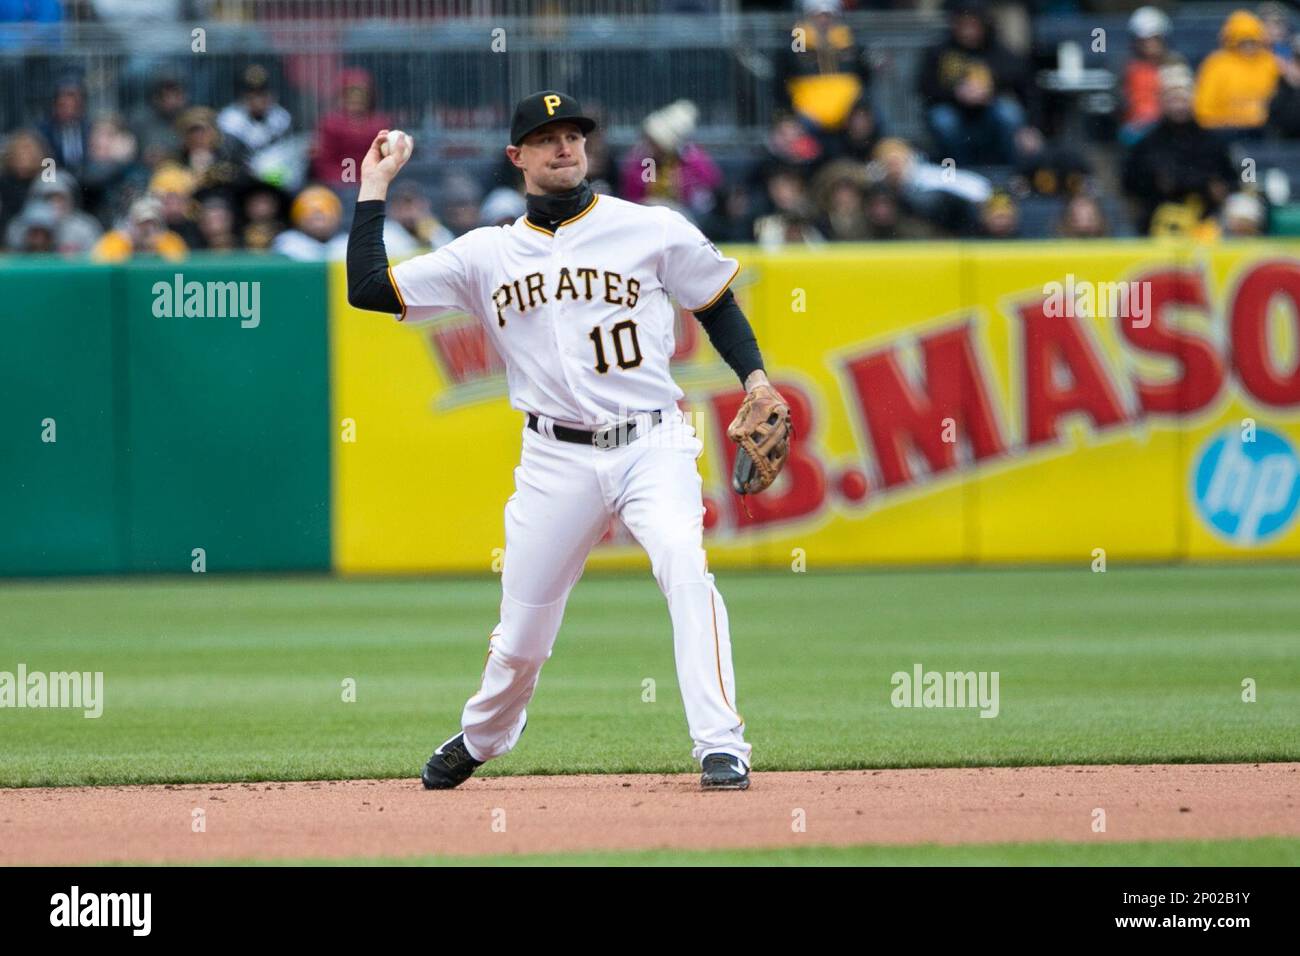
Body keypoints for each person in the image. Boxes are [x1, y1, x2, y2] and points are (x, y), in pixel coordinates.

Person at [346, 91, 791, 792]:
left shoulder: (650, 228)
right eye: (546, 137)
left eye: (574, 135)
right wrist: (373, 188)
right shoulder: (485, 254)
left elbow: (716, 301)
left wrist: (757, 381)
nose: (564, 147)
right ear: (516, 157)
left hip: (654, 441)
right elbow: (369, 288)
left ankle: (721, 743)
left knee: (684, 566)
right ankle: (483, 736)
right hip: (555, 458)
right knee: (522, 635)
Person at [918, 0, 1035, 165]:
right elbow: (924, 88)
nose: (968, 32)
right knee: (943, 120)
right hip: (953, 110)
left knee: (1009, 113)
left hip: (989, 113)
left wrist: (990, 91)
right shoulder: (940, 51)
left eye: (973, 26)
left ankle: (1010, 170)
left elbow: (1024, 85)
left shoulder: (999, 51)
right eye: (963, 26)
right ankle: (958, 171)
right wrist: (956, 94)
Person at [1124, 65, 1237, 234]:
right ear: (1162, 101)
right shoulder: (1146, 144)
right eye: (1172, 99)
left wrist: (1220, 189)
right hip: (1159, 222)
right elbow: (1130, 185)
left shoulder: (1214, 141)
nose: (1178, 106)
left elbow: (1230, 181)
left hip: (1208, 221)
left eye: (1182, 99)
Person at [617, 100, 722, 218]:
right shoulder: (641, 162)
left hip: (687, 216)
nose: (648, 145)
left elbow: (709, 186)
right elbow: (632, 198)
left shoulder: (691, 159)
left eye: (653, 141)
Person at [1193, 9, 1279, 132]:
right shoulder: (1216, 64)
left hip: (1266, 132)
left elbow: (1281, 99)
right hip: (1226, 131)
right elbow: (1204, 109)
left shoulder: (1270, 62)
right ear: (1231, 40)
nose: (1248, 46)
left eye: (1252, 41)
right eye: (1243, 41)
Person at [1121, 6, 1183, 145]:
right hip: (1136, 130)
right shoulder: (1127, 68)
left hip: (1169, 126)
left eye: (1154, 39)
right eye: (1144, 40)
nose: (1149, 45)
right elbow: (1123, 102)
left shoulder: (1176, 63)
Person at [217, 64, 294, 156]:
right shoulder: (229, 118)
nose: (258, 101)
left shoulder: (281, 117)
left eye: (262, 95)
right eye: (252, 96)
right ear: (242, 97)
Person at [91, 195, 187, 262]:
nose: (147, 229)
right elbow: (101, 266)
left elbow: (179, 268)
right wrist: (128, 245)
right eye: (141, 224)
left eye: (153, 224)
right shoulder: (115, 240)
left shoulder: (170, 241)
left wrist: (157, 247)